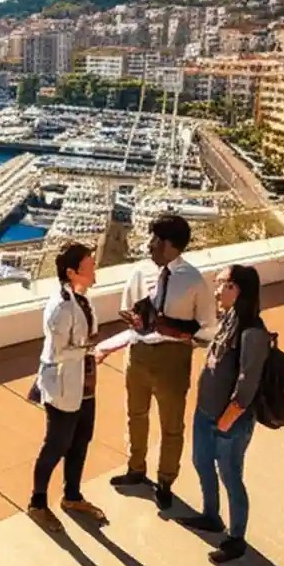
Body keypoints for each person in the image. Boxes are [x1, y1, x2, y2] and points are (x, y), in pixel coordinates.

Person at [112, 214, 217, 510]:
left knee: (171, 426)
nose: (149, 245)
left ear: (169, 244)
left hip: (173, 359)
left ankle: (166, 481)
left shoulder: (194, 280)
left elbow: (208, 326)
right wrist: (135, 318)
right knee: (136, 414)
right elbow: (125, 309)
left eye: (156, 240)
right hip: (138, 353)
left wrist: (177, 330)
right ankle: (136, 469)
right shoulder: (139, 272)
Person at [177, 265, 269, 563]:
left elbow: (247, 382)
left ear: (237, 289)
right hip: (206, 414)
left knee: (230, 475)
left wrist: (228, 419)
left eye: (221, 284)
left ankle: (236, 538)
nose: (216, 290)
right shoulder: (229, 319)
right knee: (201, 463)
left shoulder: (253, 332)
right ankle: (211, 515)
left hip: (229, 421)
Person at [27, 242, 108, 534]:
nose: (94, 269)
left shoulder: (82, 299)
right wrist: (89, 348)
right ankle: (37, 502)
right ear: (72, 272)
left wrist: (90, 347)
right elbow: (57, 352)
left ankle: (72, 495)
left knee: (81, 439)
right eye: (89, 265)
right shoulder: (60, 307)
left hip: (84, 384)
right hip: (63, 385)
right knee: (56, 445)